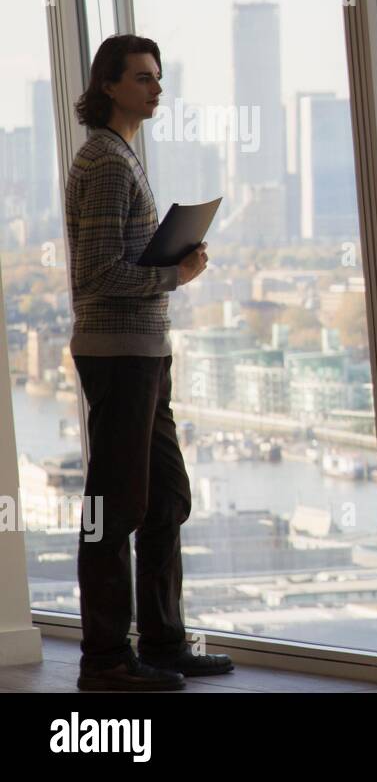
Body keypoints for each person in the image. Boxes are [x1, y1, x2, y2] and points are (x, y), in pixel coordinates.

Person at [67, 34, 232, 691]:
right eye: (141, 78)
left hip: (145, 352)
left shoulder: (122, 155)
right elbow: (100, 271)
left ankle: (162, 642)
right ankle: (104, 660)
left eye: (158, 78)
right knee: (113, 506)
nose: (155, 88)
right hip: (118, 352)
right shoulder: (107, 162)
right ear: (109, 85)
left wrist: (170, 261)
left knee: (166, 497)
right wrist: (177, 273)